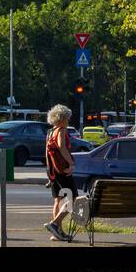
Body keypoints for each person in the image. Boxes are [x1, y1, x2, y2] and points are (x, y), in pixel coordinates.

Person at [43, 104, 76, 242]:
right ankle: (55, 224)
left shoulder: (50, 132)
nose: (68, 121)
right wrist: (71, 163)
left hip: (52, 171)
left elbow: (47, 153)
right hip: (62, 170)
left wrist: (50, 172)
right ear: (61, 118)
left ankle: (57, 233)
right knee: (72, 199)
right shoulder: (61, 130)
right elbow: (62, 147)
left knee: (58, 200)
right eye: (67, 118)